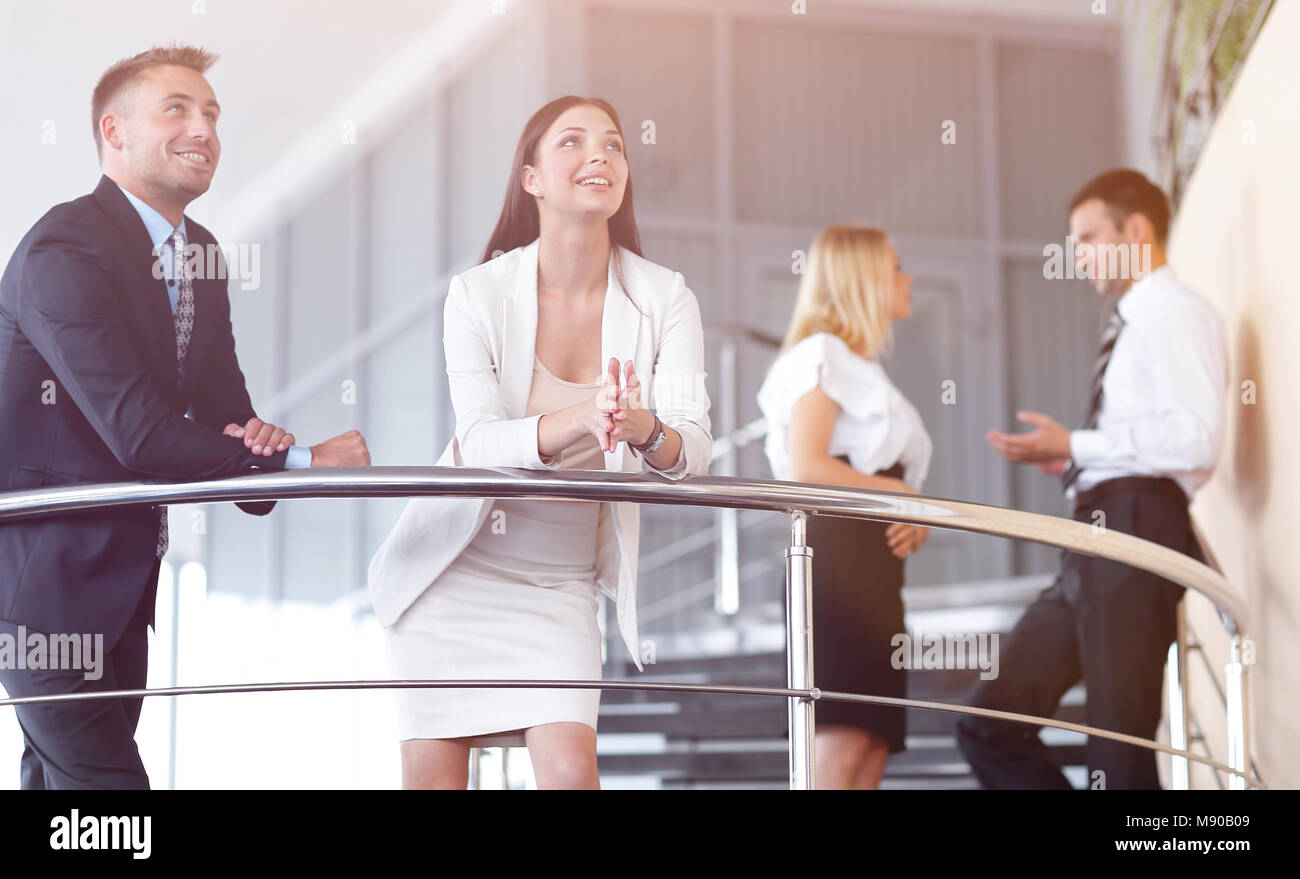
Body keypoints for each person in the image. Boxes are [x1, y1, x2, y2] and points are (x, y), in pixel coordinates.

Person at [0, 45, 370, 789]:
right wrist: (303, 463)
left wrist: (264, 442)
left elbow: (227, 416)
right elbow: (137, 433)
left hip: (126, 590)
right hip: (45, 596)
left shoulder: (198, 253)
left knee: (65, 801)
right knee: (114, 808)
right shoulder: (64, 245)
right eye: (177, 108)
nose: (203, 128)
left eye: (211, 114)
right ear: (115, 131)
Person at [366, 96, 713, 790]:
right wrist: (584, 416)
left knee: (570, 771)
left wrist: (643, 428)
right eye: (573, 142)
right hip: (453, 573)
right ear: (532, 179)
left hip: (558, 583)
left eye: (614, 145)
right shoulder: (478, 293)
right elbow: (481, 439)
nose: (600, 156)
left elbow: (694, 454)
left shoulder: (666, 297)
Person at [960, 168, 1227, 789]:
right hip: (1097, 533)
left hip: (1139, 524)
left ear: (1136, 230)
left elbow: (1199, 439)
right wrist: (1076, 459)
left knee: (1119, 749)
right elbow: (1148, 438)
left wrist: (1078, 442)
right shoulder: (1133, 322)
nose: (1075, 255)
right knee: (986, 723)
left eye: (1086, 238)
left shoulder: (1176, 315)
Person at [756, 223, 932, 789]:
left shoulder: (865, 368)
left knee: (871, 750)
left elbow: (875, 477)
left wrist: (910, 519)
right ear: (863, 280)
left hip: (875, 570)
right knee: (842, 743)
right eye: (897, 267)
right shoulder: (822, 354)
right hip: (835, 564)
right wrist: (902, 497)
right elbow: (808, 467)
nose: (908, 279)